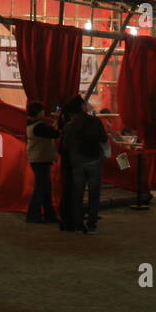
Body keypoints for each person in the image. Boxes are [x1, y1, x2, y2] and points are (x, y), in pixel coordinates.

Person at [66, 97, 107, 235]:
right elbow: (104, 138)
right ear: (83, 107)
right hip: (94, 160)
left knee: (77, 194)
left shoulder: (69, 126)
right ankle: (92, 225)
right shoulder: (95, 121)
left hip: (77, 162)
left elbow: (66, 146)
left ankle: (78, 224)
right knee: (94, 195)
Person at [24, 101, 59, 224]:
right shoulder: (39, 126)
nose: (44, 112)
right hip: (40, 159)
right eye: (42, 110)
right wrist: (59, 119)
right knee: (41, 189)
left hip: (39, 159)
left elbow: (52, 132)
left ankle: (49, 215)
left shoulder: (34, 125)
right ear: (38, 112)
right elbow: (55, 133)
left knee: (44, 188)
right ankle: (33, 216)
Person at [55, 100, 79, 232]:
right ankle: (69, 220)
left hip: (67, 160)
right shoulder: (71, 126)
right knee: (71, 190)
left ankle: (66, 220)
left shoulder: (65, 124)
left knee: (67, 189)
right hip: (72, 161)